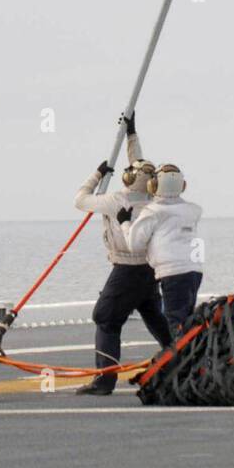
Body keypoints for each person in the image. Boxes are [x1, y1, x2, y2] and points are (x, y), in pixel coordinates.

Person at [73, 113, 171, 396]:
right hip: (151, 269)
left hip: (126, 270)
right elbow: (138, 166)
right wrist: (132, 135)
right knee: (158, 322)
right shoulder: (155, 201)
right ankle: (182, 358)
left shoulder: (116, 200)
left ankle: (103, 381)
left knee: (105, 318)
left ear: (127, 179)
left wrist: (97, 174)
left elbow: (79, 200)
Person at [123, 165, 203, 341]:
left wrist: (124, 223)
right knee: (187, 319)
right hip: (195, 270)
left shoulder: (153, 212)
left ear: (154, 185)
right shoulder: (192, 210)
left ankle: (183, 361)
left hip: (173, 272)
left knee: (175, 322)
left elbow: (134, 244)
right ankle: (191, 354)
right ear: (182, 186)